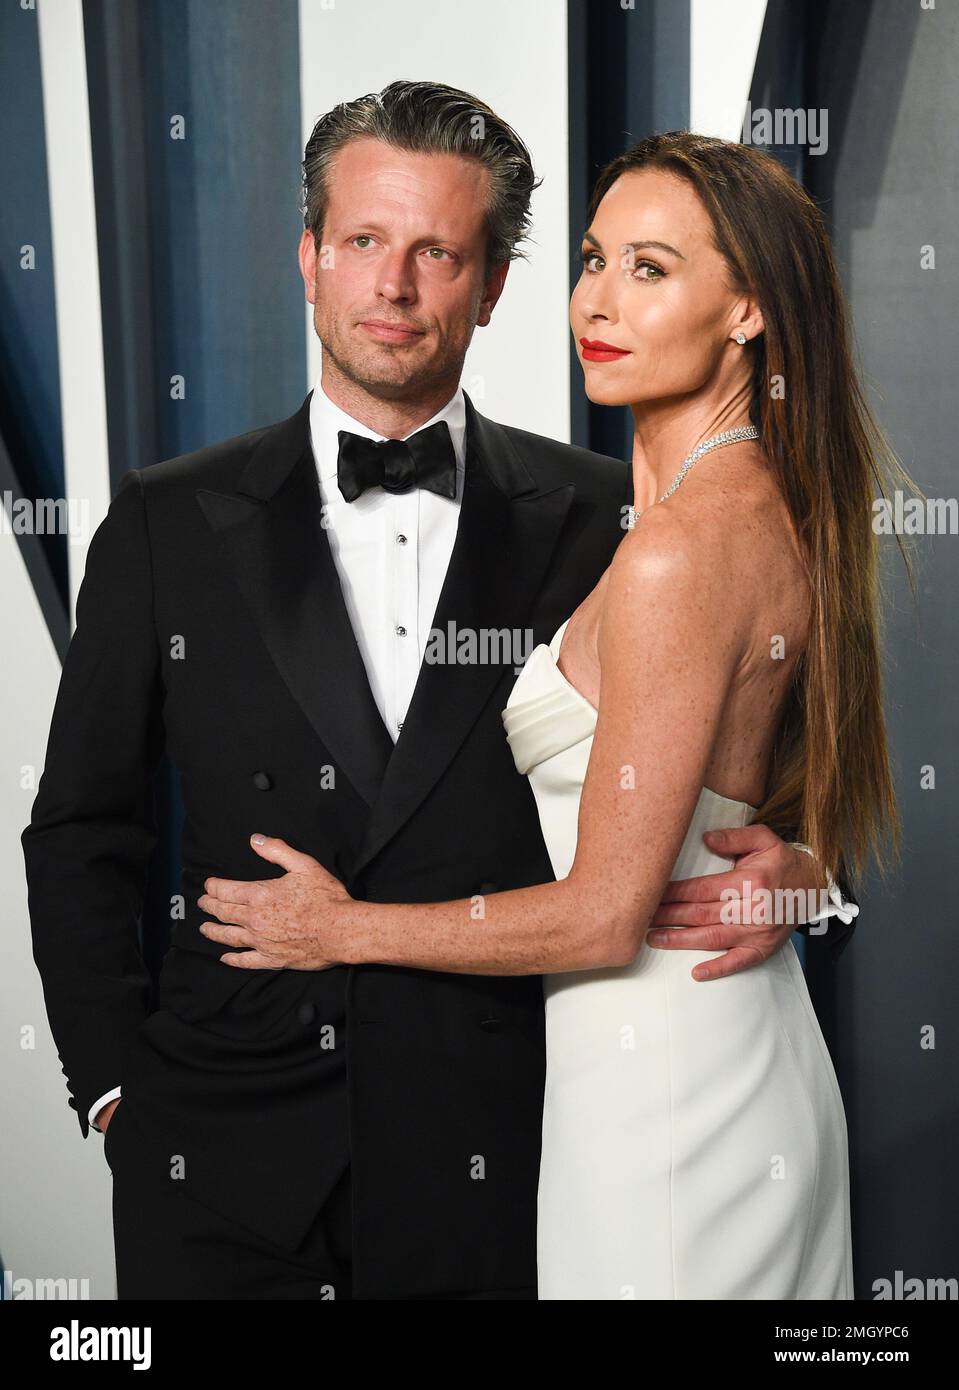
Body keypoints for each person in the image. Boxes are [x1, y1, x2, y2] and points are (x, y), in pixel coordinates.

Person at [23, 87, 853, 1302]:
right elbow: (81, 826)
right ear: (307, 257)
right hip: (220, 1161)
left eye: (437, 252)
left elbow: (746, 762)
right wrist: (111, 1093)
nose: (392, 286)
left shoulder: (606, 519)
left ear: (494, 284)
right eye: (361, 241)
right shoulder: (163, 518)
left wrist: (803, 865)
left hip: (508, 1158)